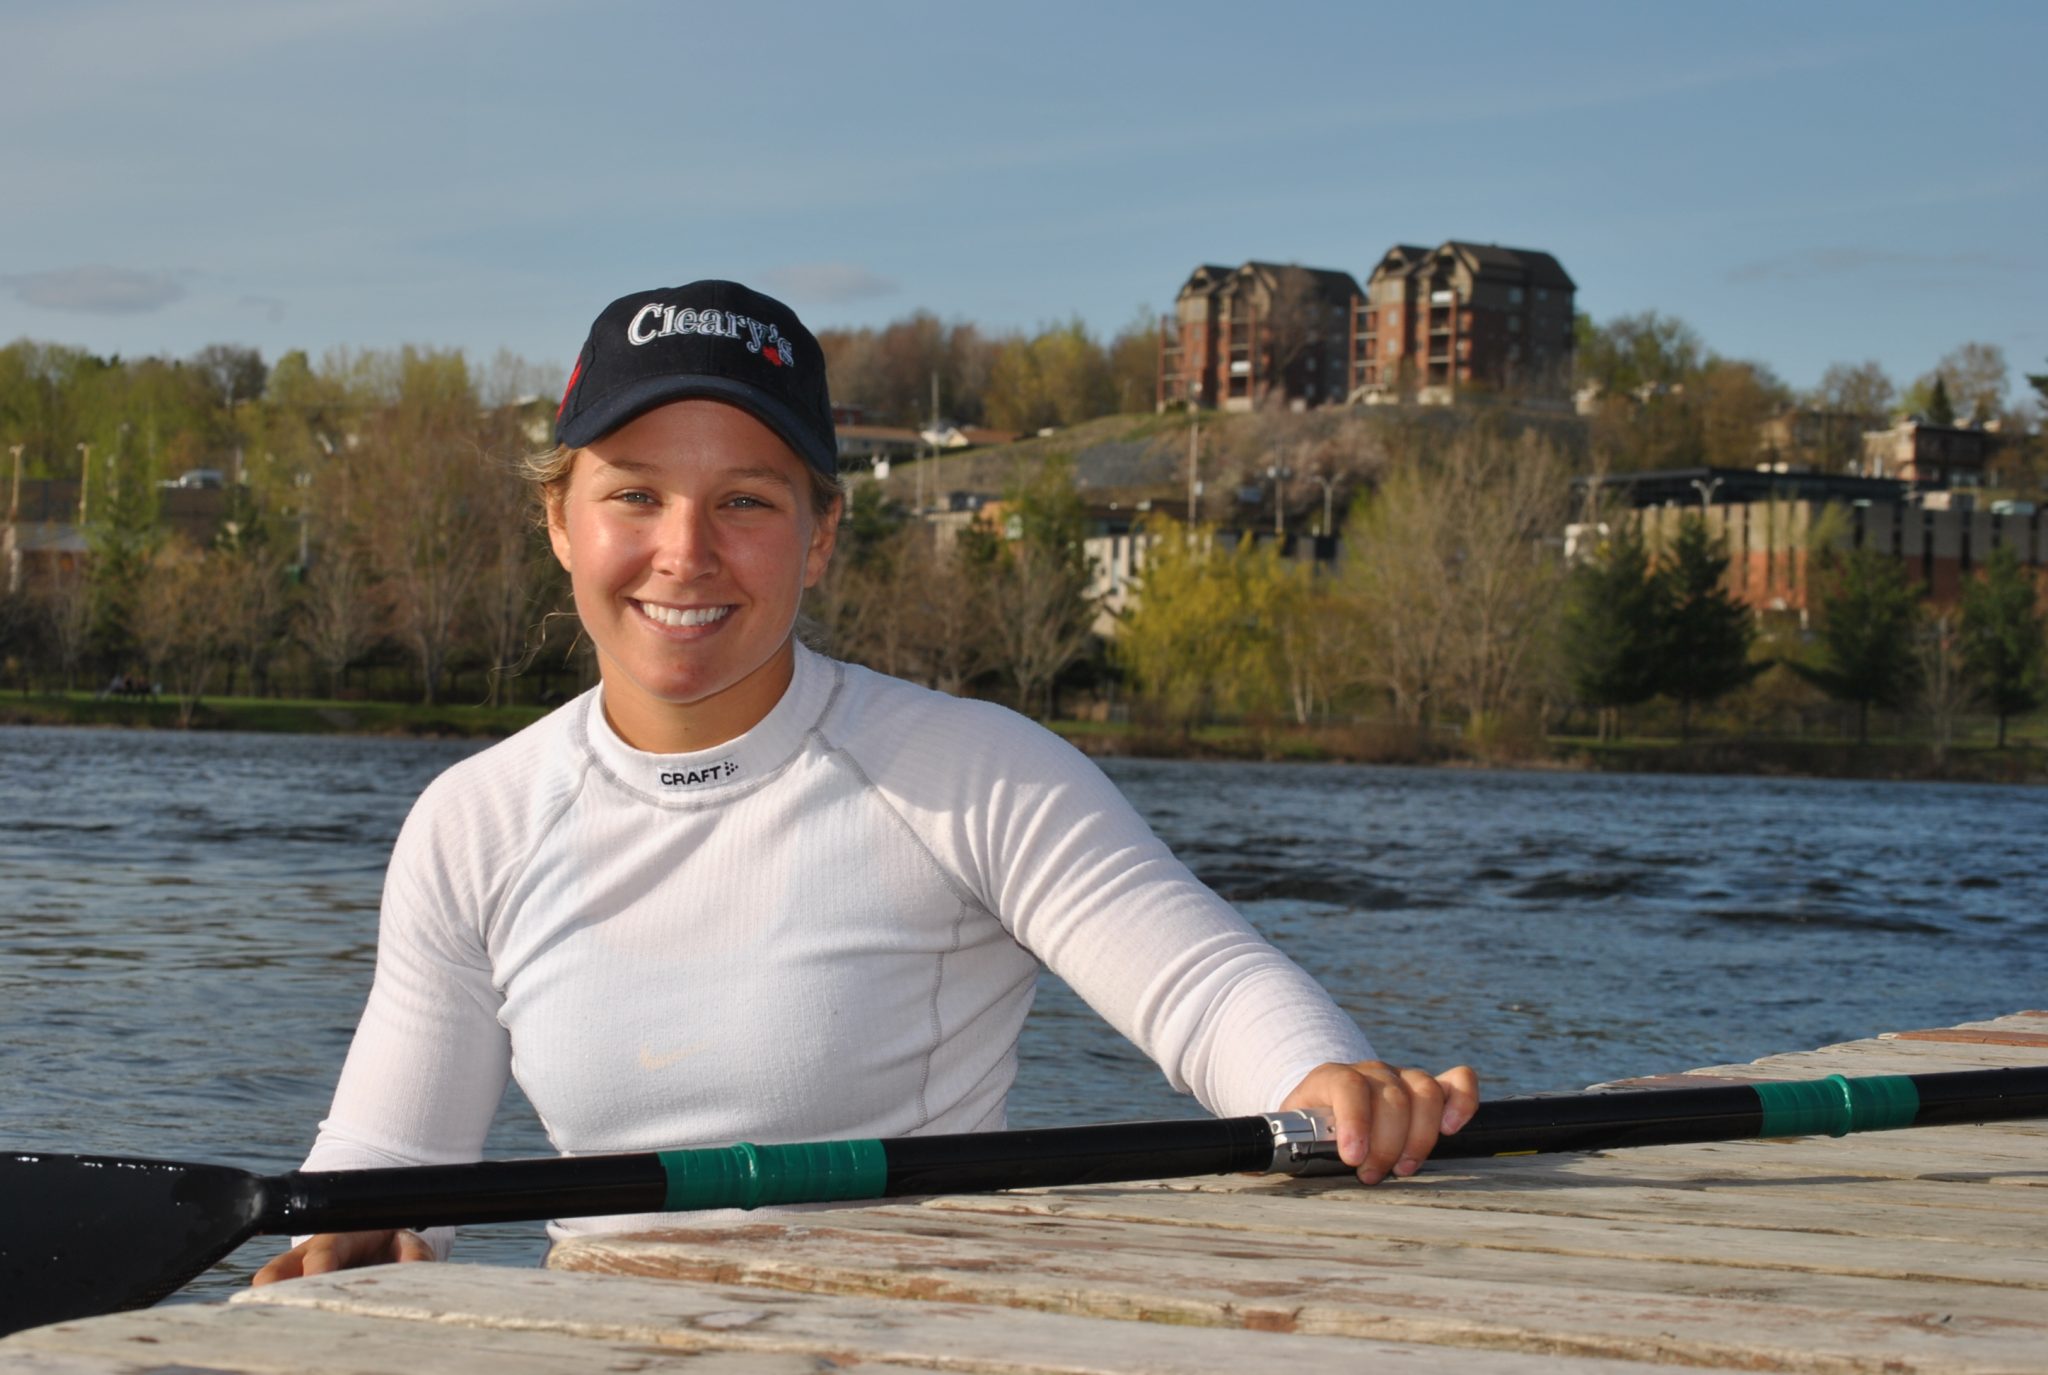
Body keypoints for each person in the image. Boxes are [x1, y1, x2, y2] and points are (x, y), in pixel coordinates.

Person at [254, 279, 1476, 1285]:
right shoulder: (473, 823)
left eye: (745, 500)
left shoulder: (966, 769)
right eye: (633, 493)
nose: (685, 552)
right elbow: (393, 1158)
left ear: (821, 536)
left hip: (907, 1333)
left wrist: (1321, 1081)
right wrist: (342, 1238)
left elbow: (1204, 995)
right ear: (561, 524)